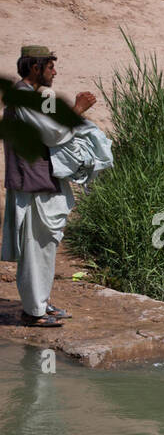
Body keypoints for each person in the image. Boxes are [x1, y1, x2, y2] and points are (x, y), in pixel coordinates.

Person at [2, 44, 98, 328]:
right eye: (51, 67)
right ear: (36, 68)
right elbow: (53, 134)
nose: (55, 72)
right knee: (36, 246)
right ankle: (34, 312)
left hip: (41, 181)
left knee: (45, 245)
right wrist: (78, 110)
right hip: (33, 185)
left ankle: (39, 302)